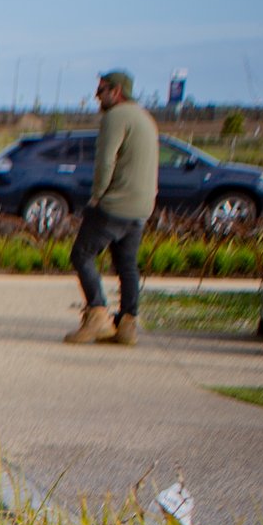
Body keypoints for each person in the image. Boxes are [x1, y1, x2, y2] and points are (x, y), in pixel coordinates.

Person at [66, 69, 157, 347]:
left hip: (116, 203)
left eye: (101, 90)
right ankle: (128, 324)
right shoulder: (145, 118)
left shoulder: (115, 117)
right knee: (126, 264)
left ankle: (98, 317)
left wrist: (96, 197)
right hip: (142, 207)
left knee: (81, 254)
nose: (97, 96)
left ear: (116, 92)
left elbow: (105, 161)